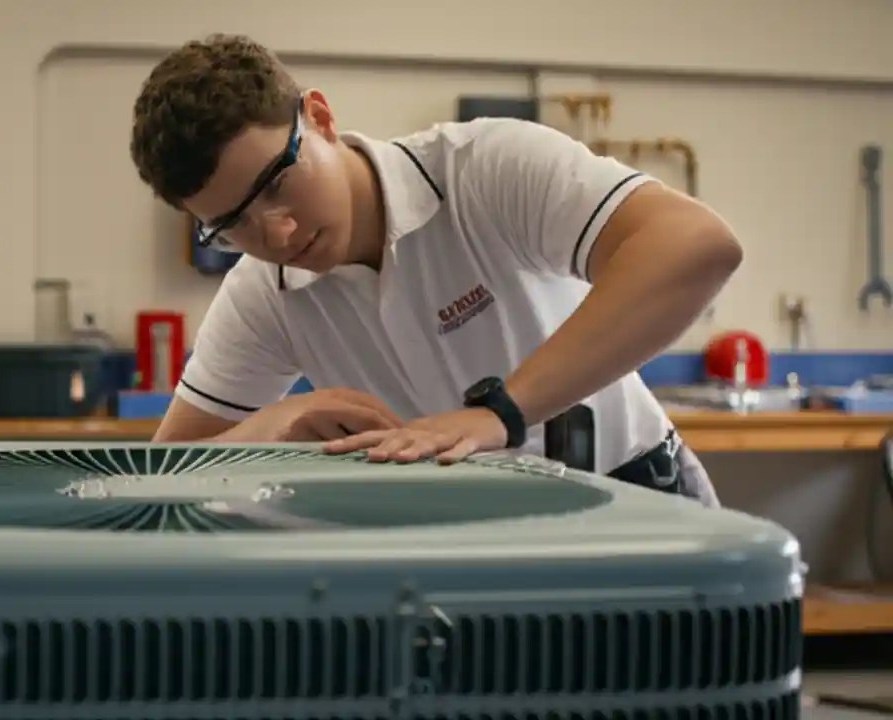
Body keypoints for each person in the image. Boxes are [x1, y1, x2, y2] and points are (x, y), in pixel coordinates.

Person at [129, 34, 741, 507]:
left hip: (630, 491)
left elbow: (696, 244)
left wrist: (502, 414)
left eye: (278, 183)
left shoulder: (482, 171)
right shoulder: (264, 295)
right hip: (459, 536)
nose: (276, 233)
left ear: (318, 117)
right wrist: (268, 425)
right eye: (233, 222)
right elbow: (166, 478)